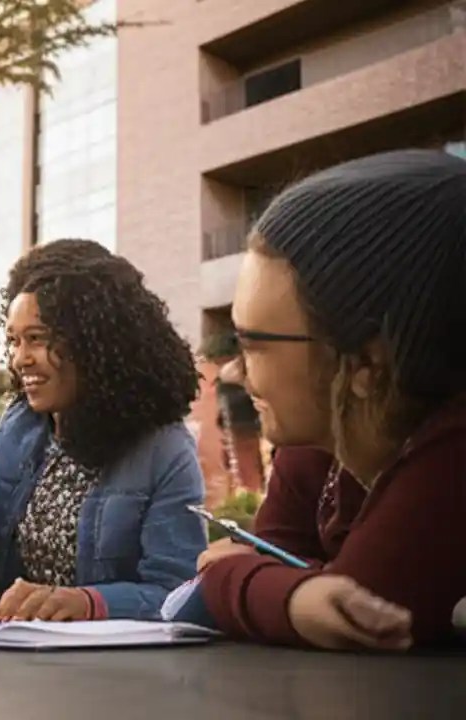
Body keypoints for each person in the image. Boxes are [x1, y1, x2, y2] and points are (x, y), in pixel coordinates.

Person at [199, 149, 466, 650]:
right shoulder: (320, 439)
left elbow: (360, 609)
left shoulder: (454, 456)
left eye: (253, 344)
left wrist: (241, 577)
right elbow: (275, 559)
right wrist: (289, 589)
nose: (233, 371)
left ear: (364, 364)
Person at [0, 239, 206, 621]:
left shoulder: (164, 449)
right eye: (13, 340)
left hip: (109, 672)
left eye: (37, 339)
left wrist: (88, 602)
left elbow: (179, 593)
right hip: (10, 656)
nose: (20, 358)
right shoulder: (17, 426)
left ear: (95, 341)